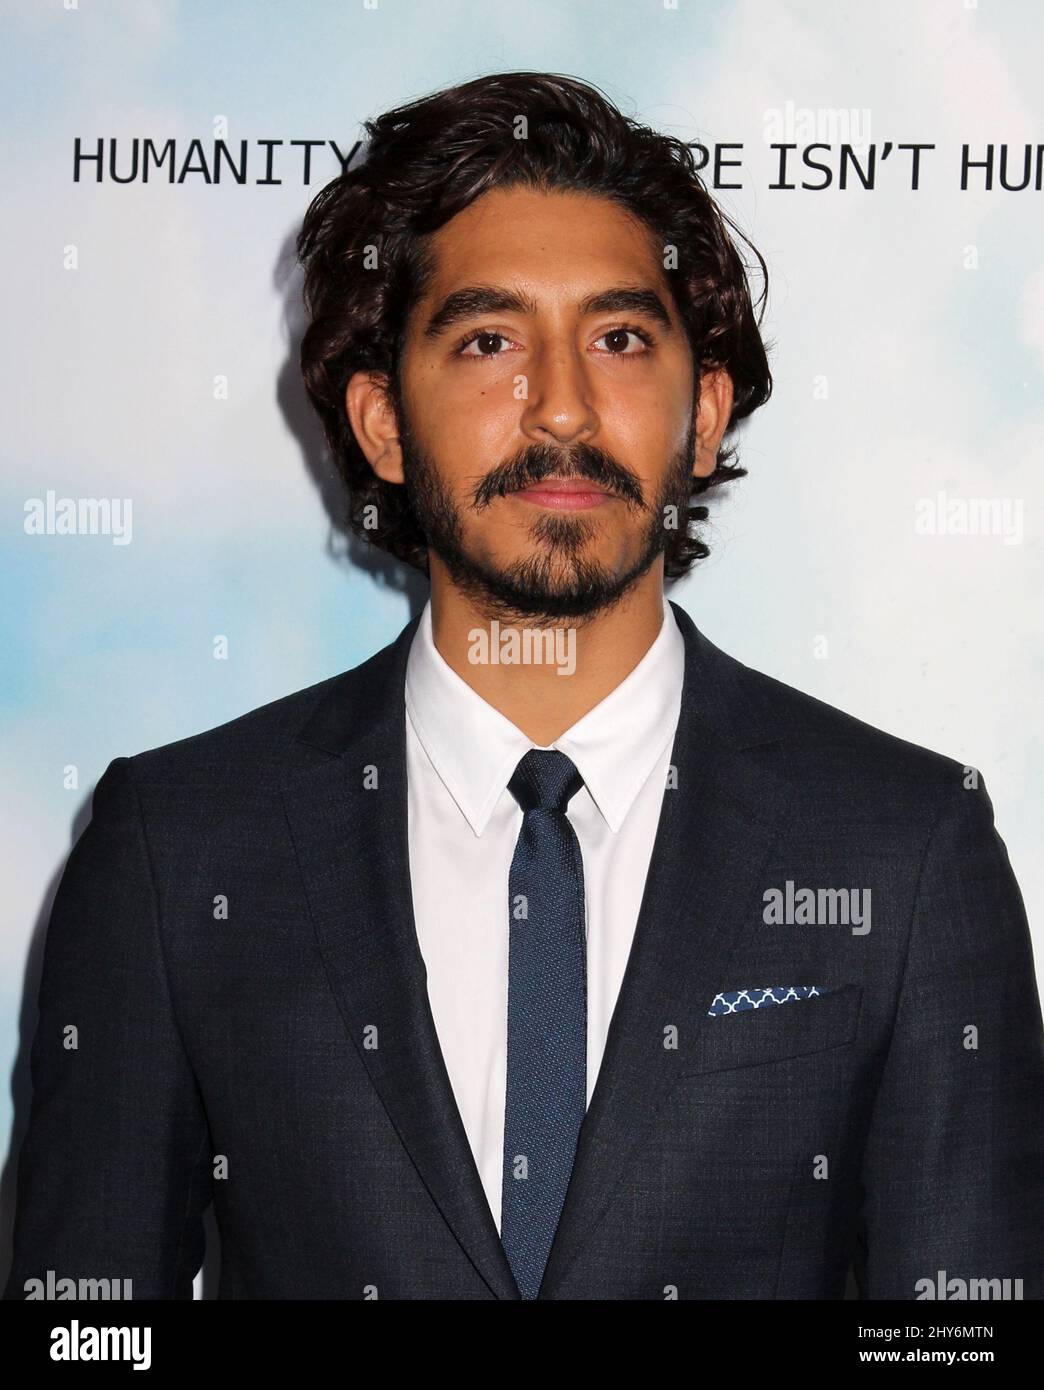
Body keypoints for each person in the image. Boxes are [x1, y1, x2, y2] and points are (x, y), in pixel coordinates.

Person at [6, 71, 1043, 1301]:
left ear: (703, 416)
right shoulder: (178, 849)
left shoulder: (905, 848)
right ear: (384, 424)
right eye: (489, 340)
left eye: (619, 339)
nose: (559, 402)